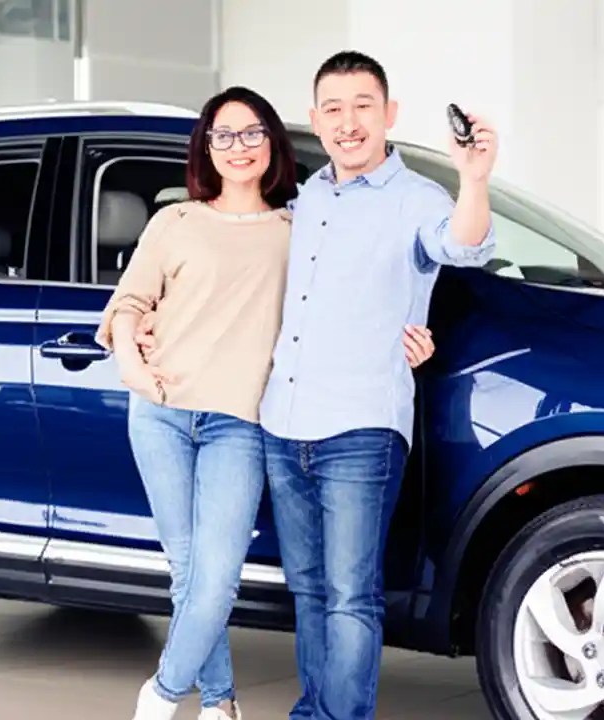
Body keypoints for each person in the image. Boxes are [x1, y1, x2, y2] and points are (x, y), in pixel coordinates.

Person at [94, 85, 437, 720]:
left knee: (215, 579)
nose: (238, 147)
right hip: (161, 413)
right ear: (206, 148)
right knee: (188, 574)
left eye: (252, 133)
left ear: (273, 143)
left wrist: (408, 333)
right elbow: (128, 305)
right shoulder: (174, 221)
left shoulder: (299, 225)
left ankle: (162, 695)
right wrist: (132, 362)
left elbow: (358, 291)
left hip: (239, 422)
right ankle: (220, 704)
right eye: (222, 135)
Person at [255, 51, 499, 720]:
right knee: (306, 589)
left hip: (360, 426)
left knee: (349, 594)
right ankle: (314, 711)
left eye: (363, 105)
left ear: (388, 115)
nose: (348, 121)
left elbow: (464, 244)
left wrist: (473, 177)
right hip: (283, 420)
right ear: (314, 119)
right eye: (332, 108)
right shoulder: (306, 199)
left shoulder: (418, 198)